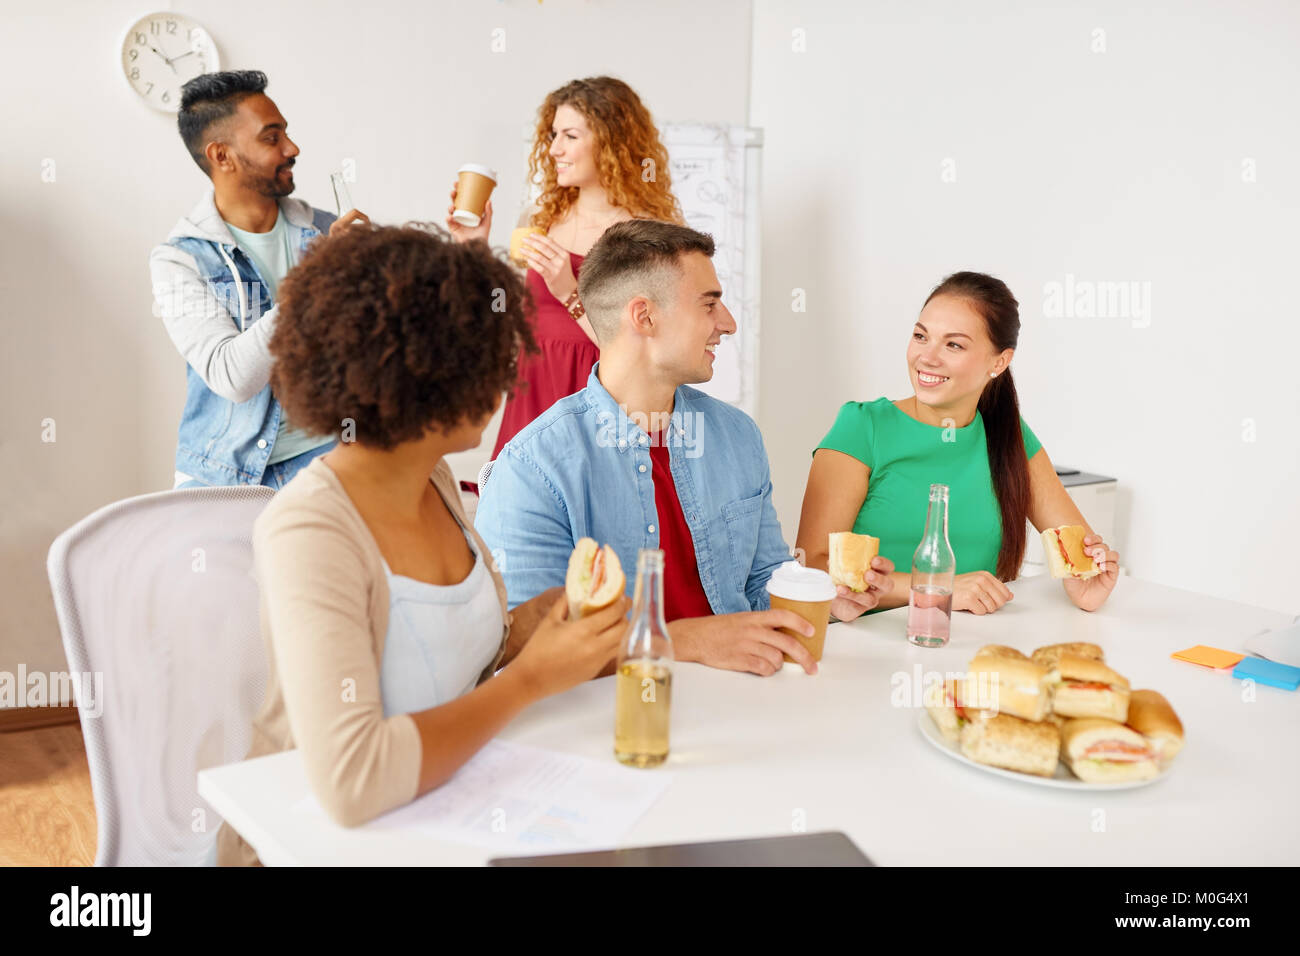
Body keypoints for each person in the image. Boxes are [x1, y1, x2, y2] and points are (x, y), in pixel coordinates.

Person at [215, 224, 631, 866]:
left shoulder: (433, 477)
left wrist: (530, 628)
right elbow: (354, 782)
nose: (508, 378)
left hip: (444, 815)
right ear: (427, 375)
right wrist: (532, 677)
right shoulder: (311, 530)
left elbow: (446, 664)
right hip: (318, 842)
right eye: (490, 358)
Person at [475, 220, 896, 678]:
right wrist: (682, 642)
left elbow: (761, 585)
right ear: (644, 316)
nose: (728, 323)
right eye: (709, 304)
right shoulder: (534, 466)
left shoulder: (738, 437)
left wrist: (825, 599)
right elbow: (522, 649)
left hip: (742, 697)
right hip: (615, 724)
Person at [796, 271, 1120, 616]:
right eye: (921, 336)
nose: (927, 357)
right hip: (867, 645)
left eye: (954, 344)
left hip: (971, 646)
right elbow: (810, 566)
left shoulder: (1010, 437)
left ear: (999, 362)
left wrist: (1086, 580)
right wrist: (938, 589)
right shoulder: (862, 427)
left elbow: (1078, 550)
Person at [150, 70, 369, 489]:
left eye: (286, 132)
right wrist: (318, 278)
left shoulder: (328, 232)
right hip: (222, 473)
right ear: (222, 156)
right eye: (271, 138)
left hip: (331, 454)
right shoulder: (179, 259)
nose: (292, 148)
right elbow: (232, 378)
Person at [446, 76, 685, 459]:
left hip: (602, 397)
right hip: (533, 387)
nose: (554, 148)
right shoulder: (539, 217)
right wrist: (474, 251)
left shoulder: (648, 233)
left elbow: (651, 346)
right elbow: (515, 321)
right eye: (553, 134)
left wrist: (569, 292)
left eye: (570, 136)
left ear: (611, 141)